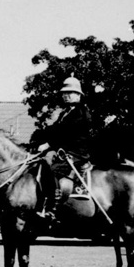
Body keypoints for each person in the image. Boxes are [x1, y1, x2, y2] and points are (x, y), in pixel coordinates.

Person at [35, 75, 93, 221]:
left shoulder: (81, 113)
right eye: (64, 93)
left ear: (79, 95)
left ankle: (52, 206)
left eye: (70, 93)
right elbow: (54, 131)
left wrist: (48, 145)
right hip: (65, 152)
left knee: (53, 169)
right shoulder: (64, 113)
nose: (66, 95)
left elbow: (67, 134)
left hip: (77, 153)